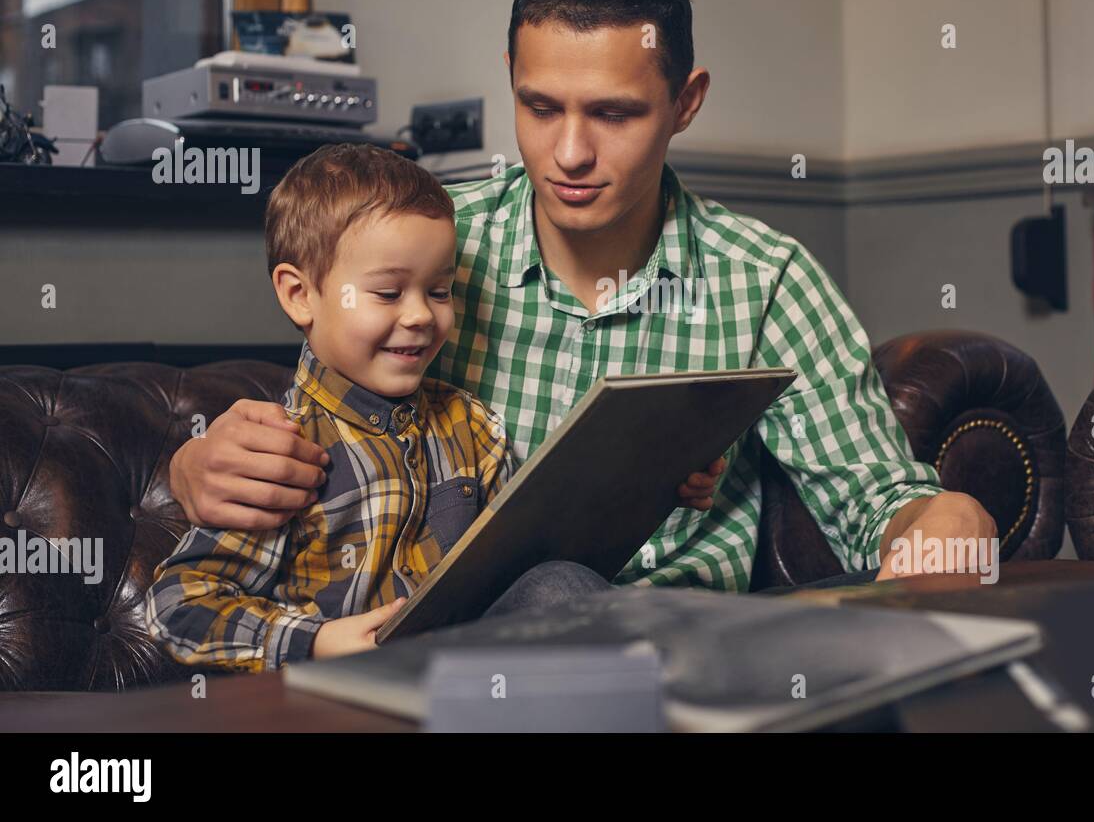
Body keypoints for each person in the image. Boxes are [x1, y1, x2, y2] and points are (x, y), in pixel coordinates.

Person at [165, 0, 995, 615]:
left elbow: (876, 499)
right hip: (460, 653)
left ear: (686, 102)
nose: (568, 154)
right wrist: (194, 464)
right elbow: (325, 432)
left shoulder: (765, 279)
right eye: (539, 107)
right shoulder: (426, 250)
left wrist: (940, 516)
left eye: (613, 113)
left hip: (675, 652)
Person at [146, 144, 713, 671]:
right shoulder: (280, 451)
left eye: (439, 291)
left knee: (560, 583)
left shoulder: (470, 426)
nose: (420, 315)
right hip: (346, 690)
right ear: (300, 295)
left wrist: (648, 487)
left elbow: (523, 560)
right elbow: (177, 605)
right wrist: (314, 641)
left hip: (466, 672)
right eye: (389, 293)